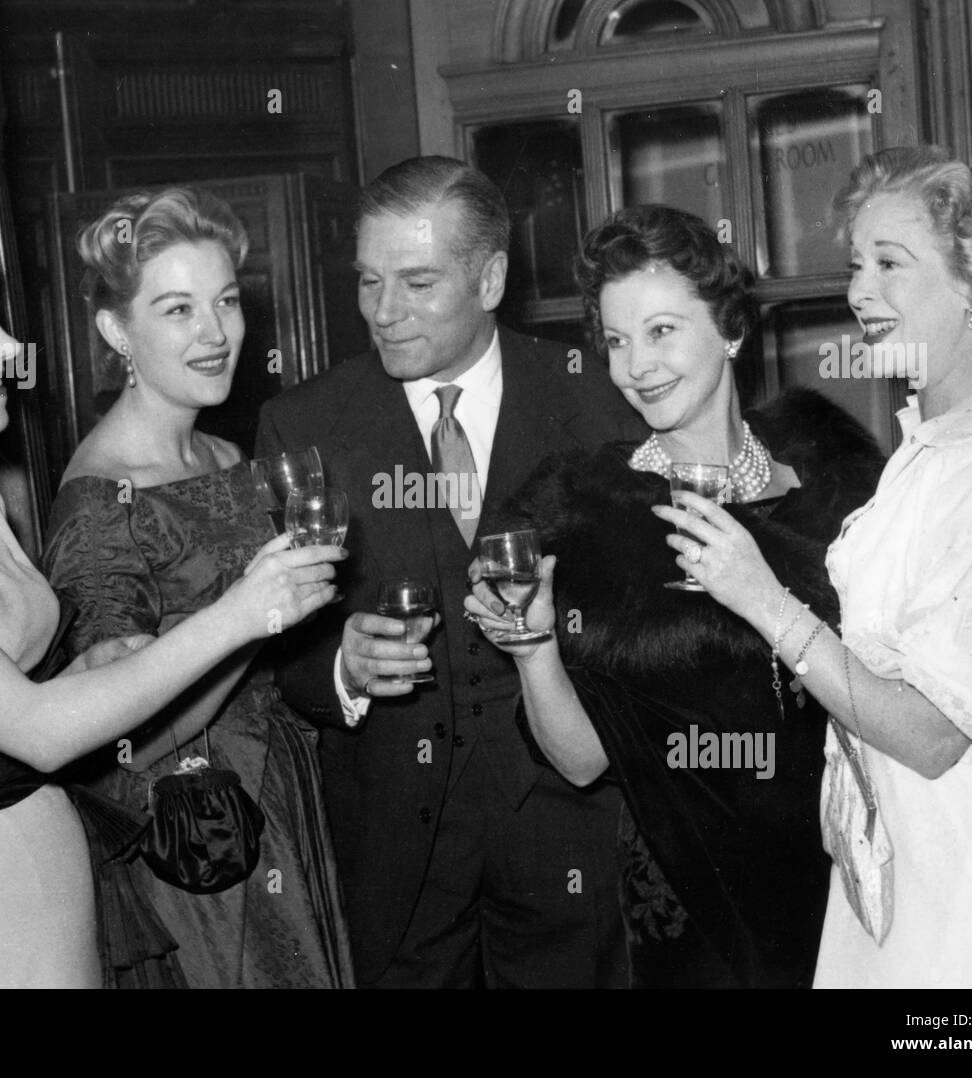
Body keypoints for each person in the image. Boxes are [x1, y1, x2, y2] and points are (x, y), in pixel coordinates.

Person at [0, 208, 342, 989]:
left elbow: (2, 711)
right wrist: (239, 616)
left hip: (62, 897)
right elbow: (36, 734)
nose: (12, 350)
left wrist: (93, 673)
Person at [651, 147, 972, 988]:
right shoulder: (939, 450)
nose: (856, 293)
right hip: (908, 880)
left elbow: (926, 733)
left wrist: (764, 600)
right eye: (855, 265)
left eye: (889, 263)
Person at [464, 204, 886, 987]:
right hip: (690, 913)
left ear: (729, 329)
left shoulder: (837, 483)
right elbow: (583, 760)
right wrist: (531, 650)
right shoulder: (587, 509)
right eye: (617, 342)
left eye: (661, 331)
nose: (636, 366)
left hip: (852, 870)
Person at [255, 156, 646, 988]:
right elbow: (274, 652)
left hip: (570, 843)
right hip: (391, 858)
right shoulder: (302, 425)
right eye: (368, 282)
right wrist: (342, 669)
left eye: (417, 282)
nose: (383, 314)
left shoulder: (600, 403)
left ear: (492, 277)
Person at [42, 186, 355, 989]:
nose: (216, 334)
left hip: (284, 801)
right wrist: (246, 624)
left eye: (224, 302)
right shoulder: (101, 500)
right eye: (178, 310)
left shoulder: (226, 458)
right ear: (118, 330)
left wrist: (340, 650)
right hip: (202, 845)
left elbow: (279, 646)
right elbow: (123, 747)